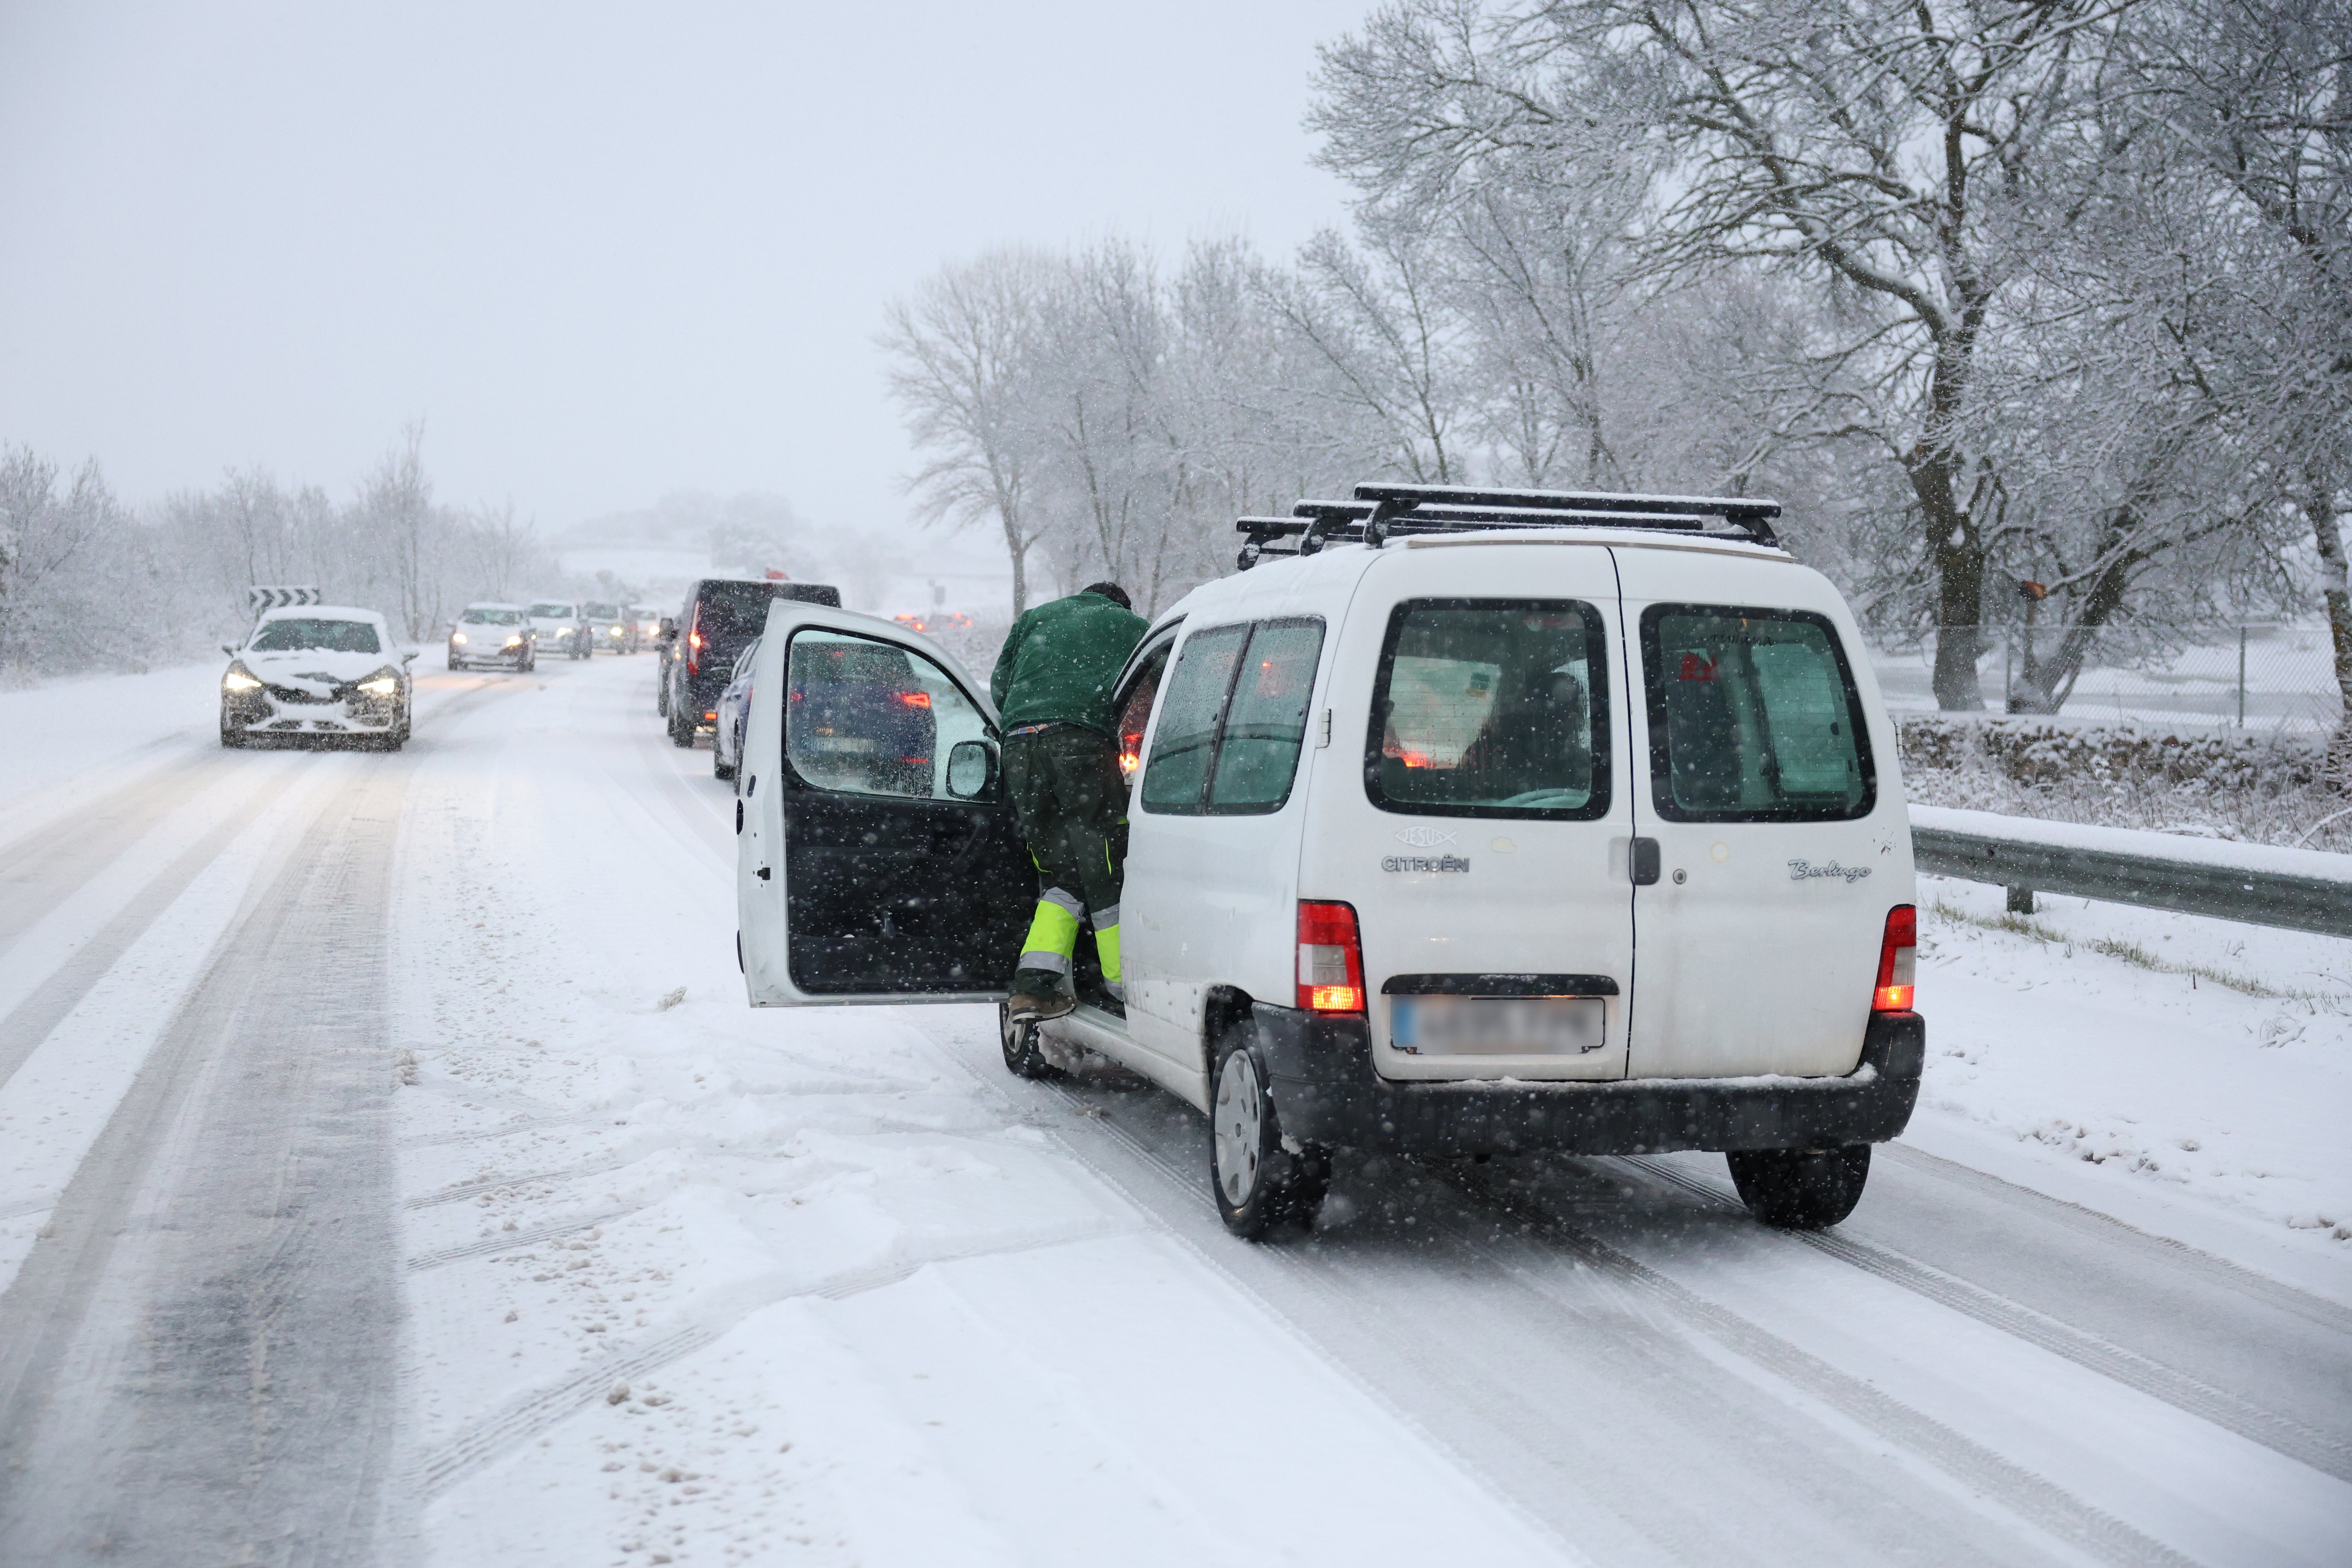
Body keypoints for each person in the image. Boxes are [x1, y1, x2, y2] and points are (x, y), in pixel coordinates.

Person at [989, 581, 1149, 1023]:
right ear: (1120, 604)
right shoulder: (1132, 627)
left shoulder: (1037, 617)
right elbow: (1157, 695)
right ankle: (1123, 988)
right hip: (1077, 742)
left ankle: (1032, 990)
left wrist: (1034, 719)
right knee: (1106, 865)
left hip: (1019, 746)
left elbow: (1001, 686)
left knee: (1062, 873)